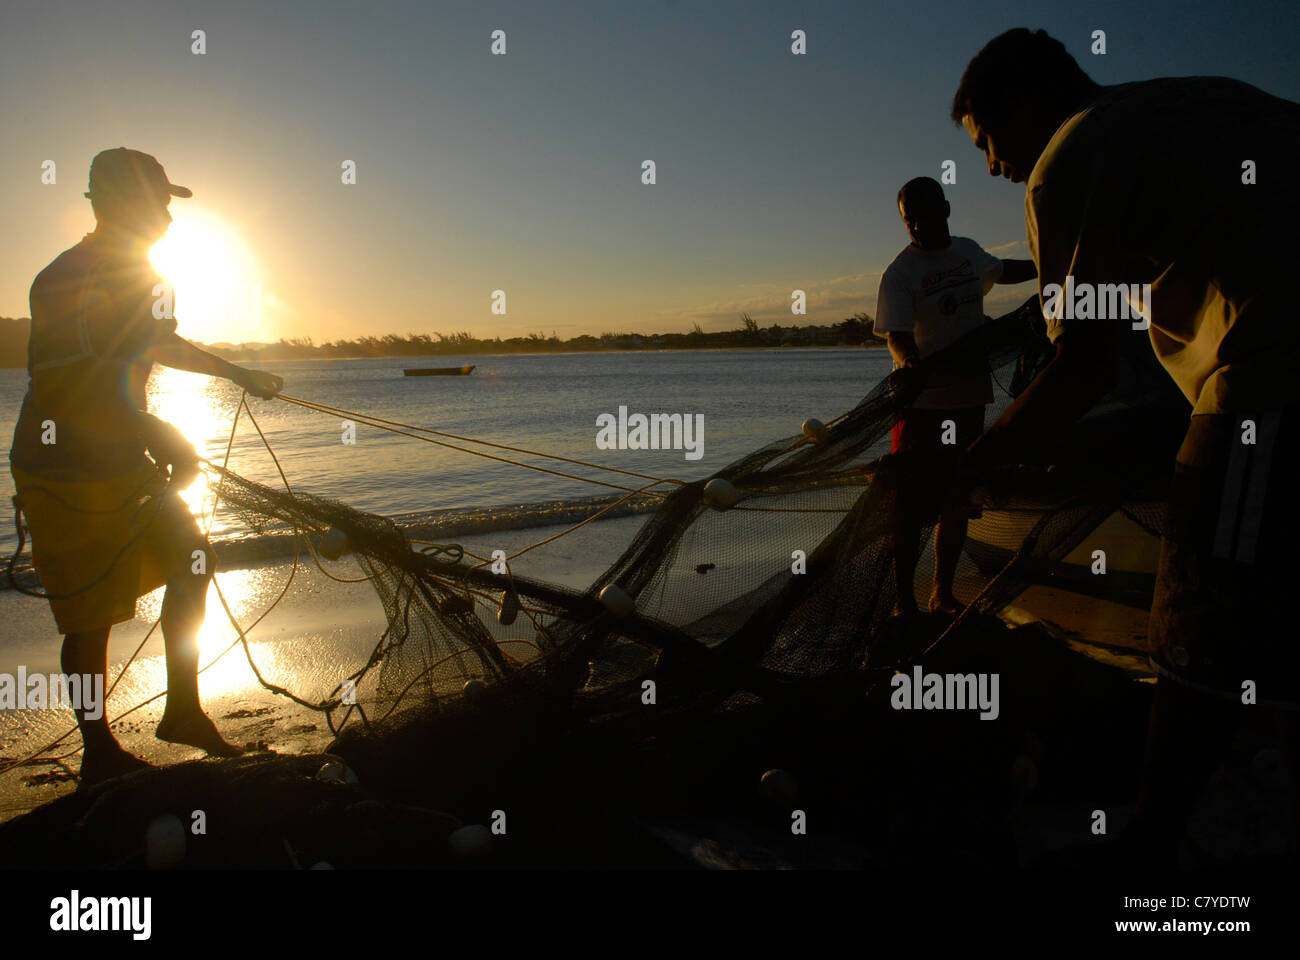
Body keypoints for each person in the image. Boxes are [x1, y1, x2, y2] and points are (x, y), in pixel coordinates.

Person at [951, 29, 1300, 863]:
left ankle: (1151, 862)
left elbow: (1083, 363)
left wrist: (982, 462)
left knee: (1200, 628)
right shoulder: (1208, 96)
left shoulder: (1067, 156)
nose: (997, 167)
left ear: (1027, 103)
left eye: (988, 143)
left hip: (1274, 375)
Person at [8, 148, 284, 786]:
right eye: (156, 200)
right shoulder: (63, 279)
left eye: (167, 200)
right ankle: (98, 747)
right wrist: (152, 426)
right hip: (61, 464)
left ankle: (182, 711)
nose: (166, 214)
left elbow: (158, 344)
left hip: (121, 454)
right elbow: (59, 389)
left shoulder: (152, 277)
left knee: (193, 557)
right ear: (113, 201)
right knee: (89, 613)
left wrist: (237, 373)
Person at [874, 176, 1036, 616]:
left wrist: (1052, 262)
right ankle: (903, 602)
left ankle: (941, 593)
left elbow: (1002, 271)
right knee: (907, 508)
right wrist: (910, 363)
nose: (919, 226)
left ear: (945, 209)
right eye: (910, 221)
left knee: (959, 497)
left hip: (968, 399)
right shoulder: (900, 274)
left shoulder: (967, 251)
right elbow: (897, 337)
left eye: (927, 216)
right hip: (921, 406)